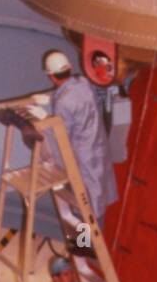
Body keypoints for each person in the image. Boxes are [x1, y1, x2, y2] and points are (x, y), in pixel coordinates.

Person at [41, 49, 118, 229]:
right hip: (97, 153)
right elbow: (72, 94)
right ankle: (93, 251)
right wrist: (50, 98)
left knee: (82, 211)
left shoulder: (63, 103)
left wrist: (44, 119)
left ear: (51, 76)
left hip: (81, 163)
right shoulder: (83, 84)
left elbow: (59, 136)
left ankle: (85, 250)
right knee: (96, 204)